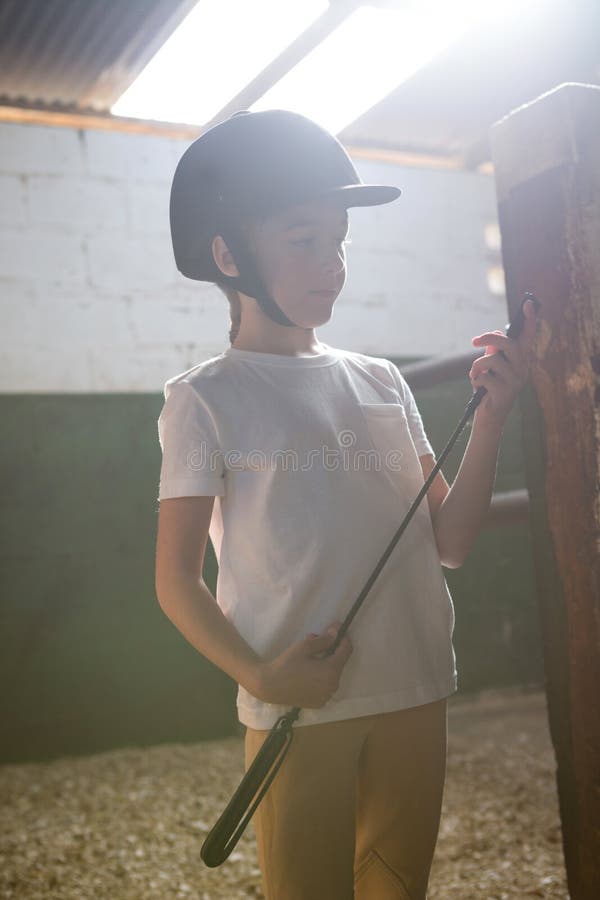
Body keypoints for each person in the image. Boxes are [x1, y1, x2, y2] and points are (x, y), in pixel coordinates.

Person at [155, 109, 537, 899]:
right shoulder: (204, 400)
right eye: (303, 240)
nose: (330, 263)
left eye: (339, 241)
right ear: (228, 254)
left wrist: (493, 416)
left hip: (418, 685)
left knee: (399, 887)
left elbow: (451, 542)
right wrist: (263, 678)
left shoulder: (381, 380)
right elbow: (175, 581)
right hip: (302, 710)